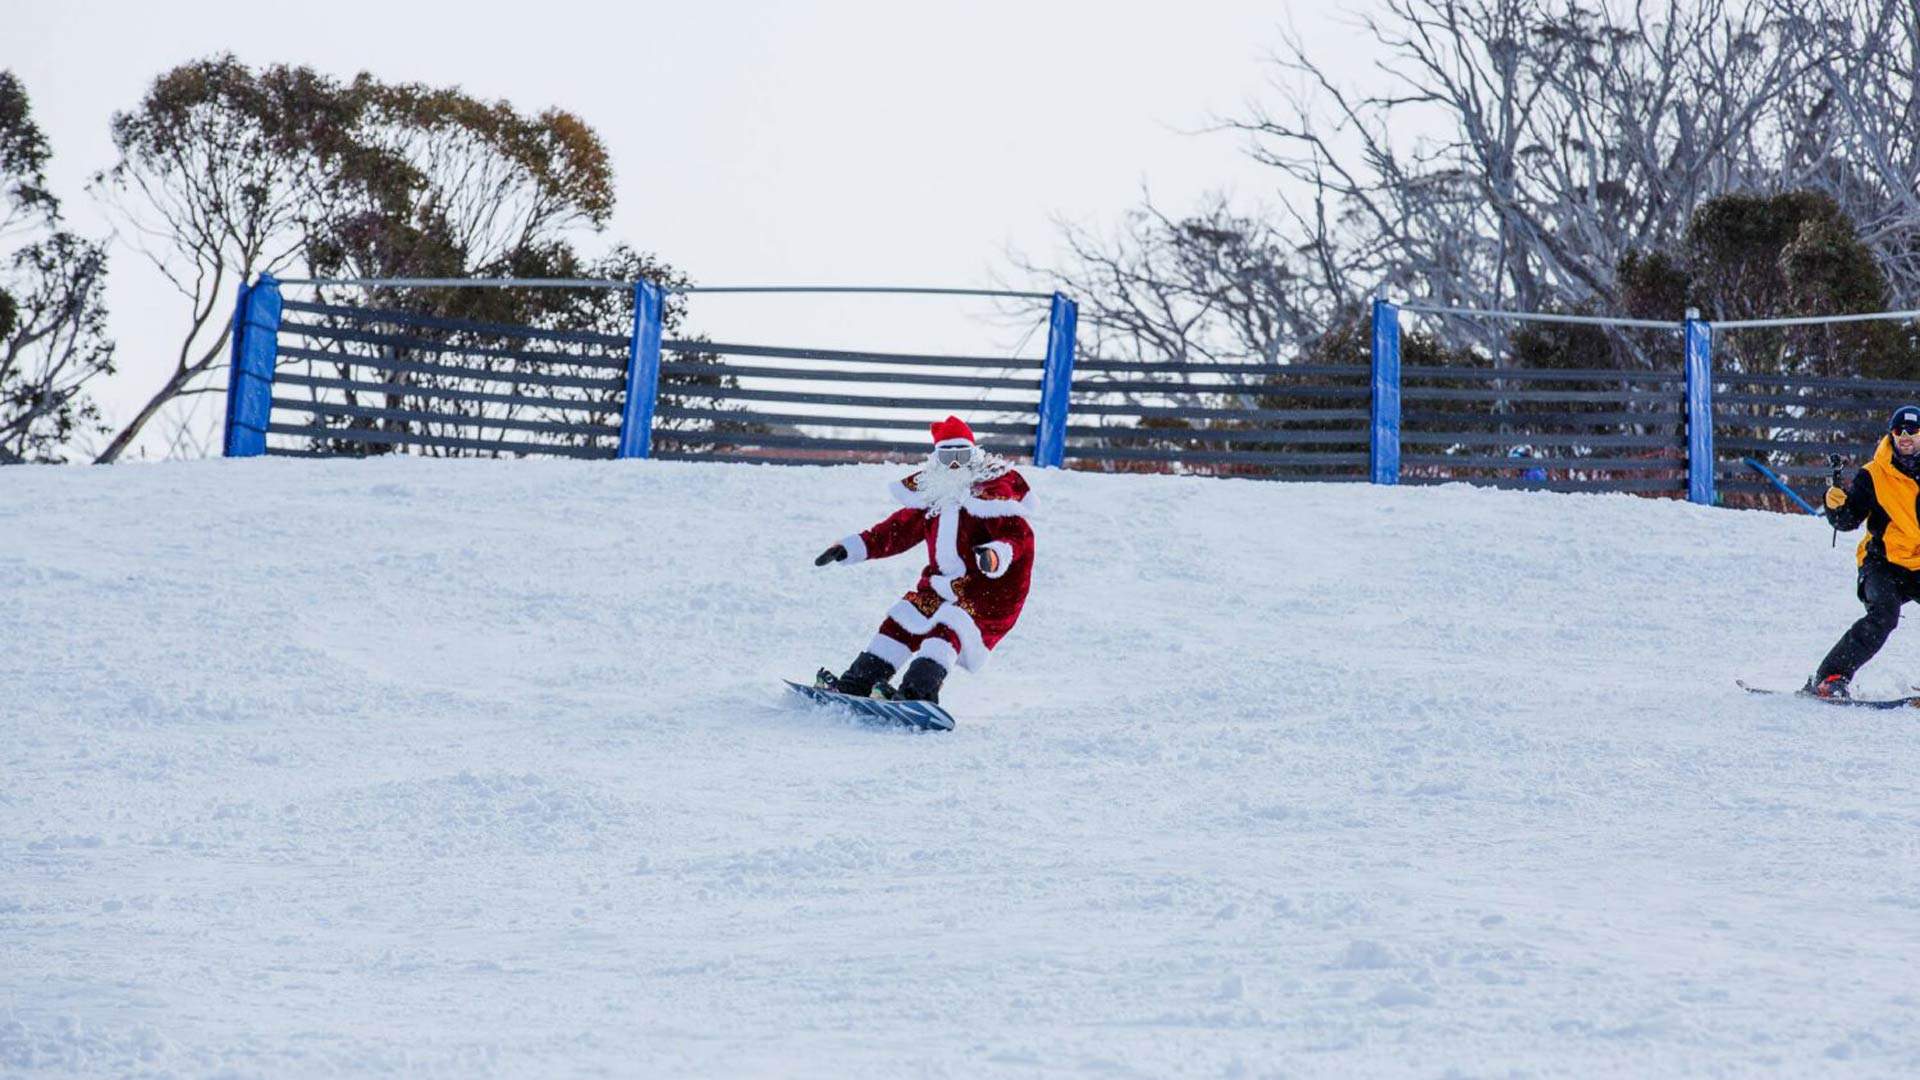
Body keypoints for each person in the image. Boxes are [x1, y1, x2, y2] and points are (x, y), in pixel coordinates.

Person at [813, 415, 1035, 705]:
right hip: (941, 587)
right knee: (901, 620)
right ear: (936, 460)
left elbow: (1018, 538)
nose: (955, 465)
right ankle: (857, 683)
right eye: (947, 457)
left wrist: (994, 555)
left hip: (985, 592)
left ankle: (918, 693)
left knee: (948, 628)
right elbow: (893, 532)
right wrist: (850, 548)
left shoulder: (990, 499)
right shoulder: (934, 497)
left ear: (974, 455)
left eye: (961, 455)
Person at [1808, 404, 1920, 698]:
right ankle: (1830, 677)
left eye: (1913, 431)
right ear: (1892, 435)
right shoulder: (1873, 474)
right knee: (1884, 615)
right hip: (1881, 563)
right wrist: (1834, 505)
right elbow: (1848, 520)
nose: (1906, 437)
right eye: (1899, 431)